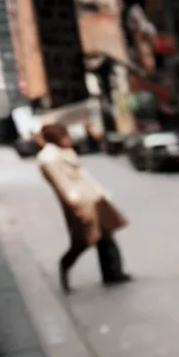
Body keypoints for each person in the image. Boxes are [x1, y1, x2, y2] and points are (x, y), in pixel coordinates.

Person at [36, 123, 131, 294]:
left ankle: (113, 273)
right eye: (64, 136)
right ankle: (65, 266)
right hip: (81, 203)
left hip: (94, 198)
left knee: (106, 236)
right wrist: (76, 206)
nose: (68, 139)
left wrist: (100, 192)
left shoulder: (65, 152)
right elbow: (62, 185)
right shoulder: (49, 158)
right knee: (84, 241)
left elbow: (83, 176)